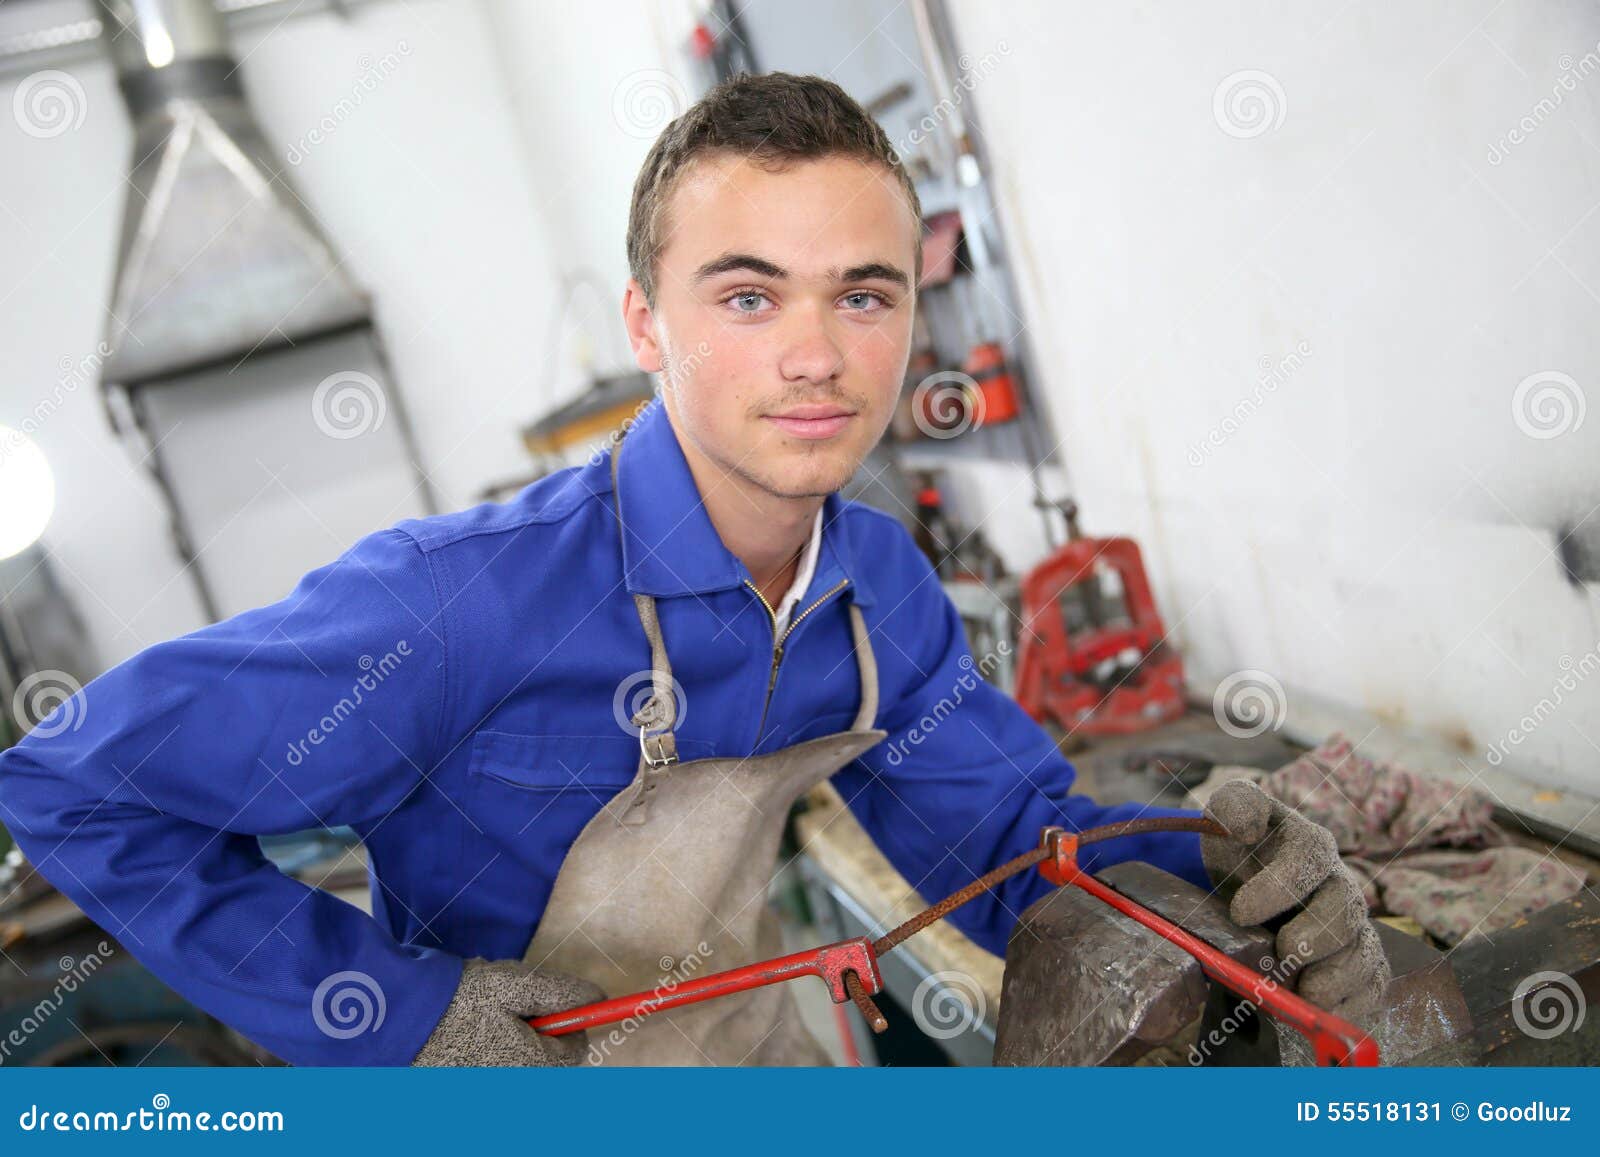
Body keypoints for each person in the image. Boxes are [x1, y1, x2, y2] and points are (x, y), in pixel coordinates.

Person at [0, 73, 1385, 1067]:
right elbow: (70, 783)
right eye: (745, 295)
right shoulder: (457, 602)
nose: (814, 353)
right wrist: (408, 1020)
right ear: (644, 326)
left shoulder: (879, 593)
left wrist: (1207, 872)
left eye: (864, 292)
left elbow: (1020, 848)